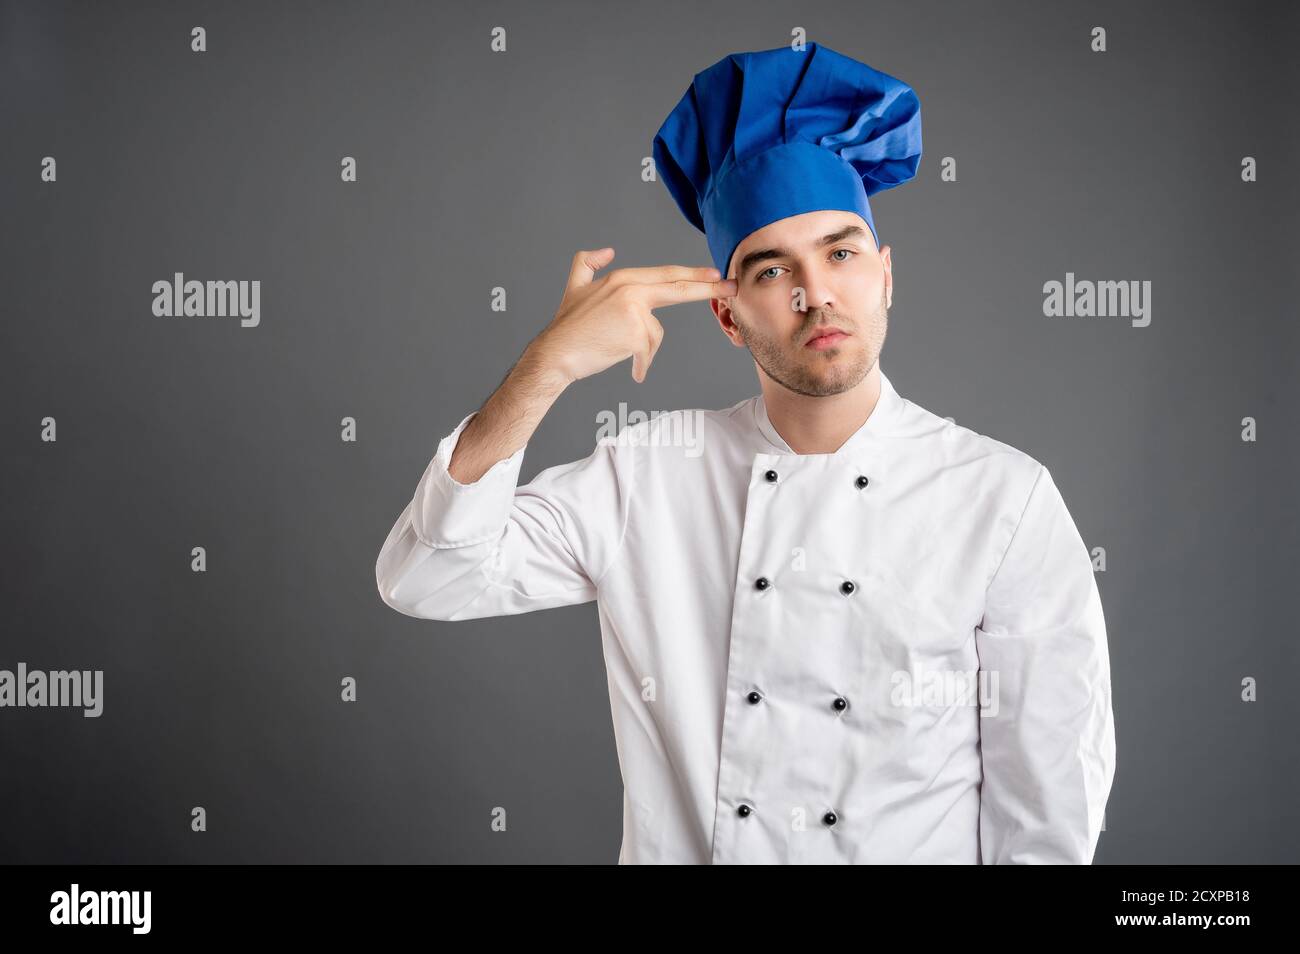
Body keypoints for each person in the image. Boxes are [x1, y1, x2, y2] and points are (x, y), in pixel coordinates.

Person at [375, 42, 1116, 864]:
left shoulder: (1002, 500)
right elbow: (427, 576)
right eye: (772, 271)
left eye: (841, 253)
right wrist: (546, 367)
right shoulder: (646, 474)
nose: (816, 294)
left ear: (885, 274)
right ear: (728, 316)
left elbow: (1046, 816)